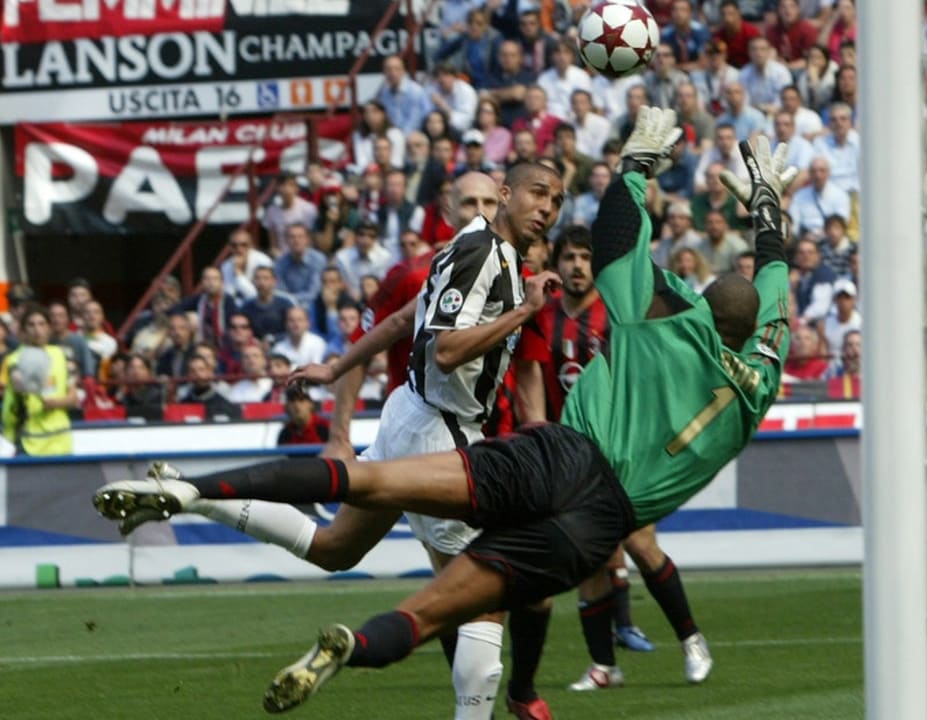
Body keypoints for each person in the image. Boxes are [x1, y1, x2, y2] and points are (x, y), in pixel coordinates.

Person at [93, 110, 793, 717]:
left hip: (453, 423)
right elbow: (445, 345)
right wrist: (768, 217)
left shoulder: (501, 265)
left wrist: (337, 370)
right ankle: (477, 686)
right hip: (460, 435)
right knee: (472, 608)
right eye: (530, 194)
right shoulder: (754, 379)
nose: (546, 209)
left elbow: (410, 317)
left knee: (338, 546)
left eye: (555, 199)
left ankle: (192, 493)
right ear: (491, 198)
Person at [512, 227, 709, 691]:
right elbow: (531, 383)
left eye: (585, 257)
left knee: (640, 545)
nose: (578, 266)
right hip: (572, 456)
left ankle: (692, 640)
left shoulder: (616, 314)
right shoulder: (543, 317)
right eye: (570, 257)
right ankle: (605, 666)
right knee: (589, 559)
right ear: (557, 263)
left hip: (625, 453)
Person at [2, 305, 76, 456]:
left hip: (61, 443)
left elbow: (73, 398)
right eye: (31, 325)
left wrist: (55, 403)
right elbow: (17, 385)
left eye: (42, 324)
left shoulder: (60, 355)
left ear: (49, 328)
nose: (37, 330)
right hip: (28, 443)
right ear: (23, 331)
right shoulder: (14, 359)